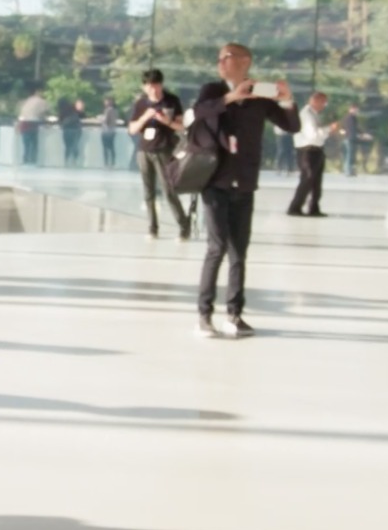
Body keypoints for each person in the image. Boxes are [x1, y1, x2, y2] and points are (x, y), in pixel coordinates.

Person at [190, 45, 299, 338]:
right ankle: (204, 315)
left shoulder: (259, 95)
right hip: (215, 179)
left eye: (227, 58)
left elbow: (291, 125)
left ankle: (235, 314)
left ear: (244, 62)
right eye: (220, 58)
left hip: (245, 180)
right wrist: (230, 97)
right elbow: (197, 114)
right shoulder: (212, 90)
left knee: (239, 251)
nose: (221, 63)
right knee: (217, 248)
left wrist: (287, 99)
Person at [129, 69, 191, 241]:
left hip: (164, 149)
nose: (154, 90)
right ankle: (152, 228)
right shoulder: (141, 103)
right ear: (144, 87)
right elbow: (132, 129)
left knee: (169, 189)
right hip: (144, 150)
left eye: (157, 86)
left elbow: (182, 127)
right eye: (150, 86)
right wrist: (145, 117)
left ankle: (184, 226)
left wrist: (167, 121)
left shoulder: (172, 101)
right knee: (148, 192)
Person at [288, 91, 333, 217]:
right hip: (307, 151)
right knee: (307, 179)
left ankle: (314, 207)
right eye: (323, 102)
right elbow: (312, 135)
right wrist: (329, 129)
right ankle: (295, 207)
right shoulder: (306, 115)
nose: (324, 105)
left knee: (316, 181)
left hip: (317, 150)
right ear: (315, 101)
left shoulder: (314, 115)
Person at [17, 87, 49, 166]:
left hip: (24, 124)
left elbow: (22, 113)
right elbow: (43, 113)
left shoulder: (26, 101)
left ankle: (26, 160)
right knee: (34, 144)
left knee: (26, 145)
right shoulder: (41, 102)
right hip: (33, 124)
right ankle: (33, 160)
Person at [59, 96, 85, 167]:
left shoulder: (62, 111)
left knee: (67, 146)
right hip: (76, 129)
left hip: (67, 129)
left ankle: (66, 161)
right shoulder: (73, 109)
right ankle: (75, 161)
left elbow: (60, 121)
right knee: (75, 146)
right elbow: (82, 116)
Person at [340, 104, 363, 176]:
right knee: (349, 156)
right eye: (356, 110)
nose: (357, 111)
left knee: (350, 155)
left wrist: (361, 133)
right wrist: (360, 135)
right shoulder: (350, 118)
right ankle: (348, 171)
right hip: (350, 138)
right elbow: (353, 129)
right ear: (351, 109)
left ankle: (350, 171)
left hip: (349, 138)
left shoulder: (352, 118)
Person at [99, 96, 121, 169]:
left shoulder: (108, 110)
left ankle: (106, 163)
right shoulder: (115, 110)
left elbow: (106, 120)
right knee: (111, 147)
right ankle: (113, 163)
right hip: (113, 131)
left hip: (106, 131)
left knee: (106, 148)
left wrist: (101, 119)